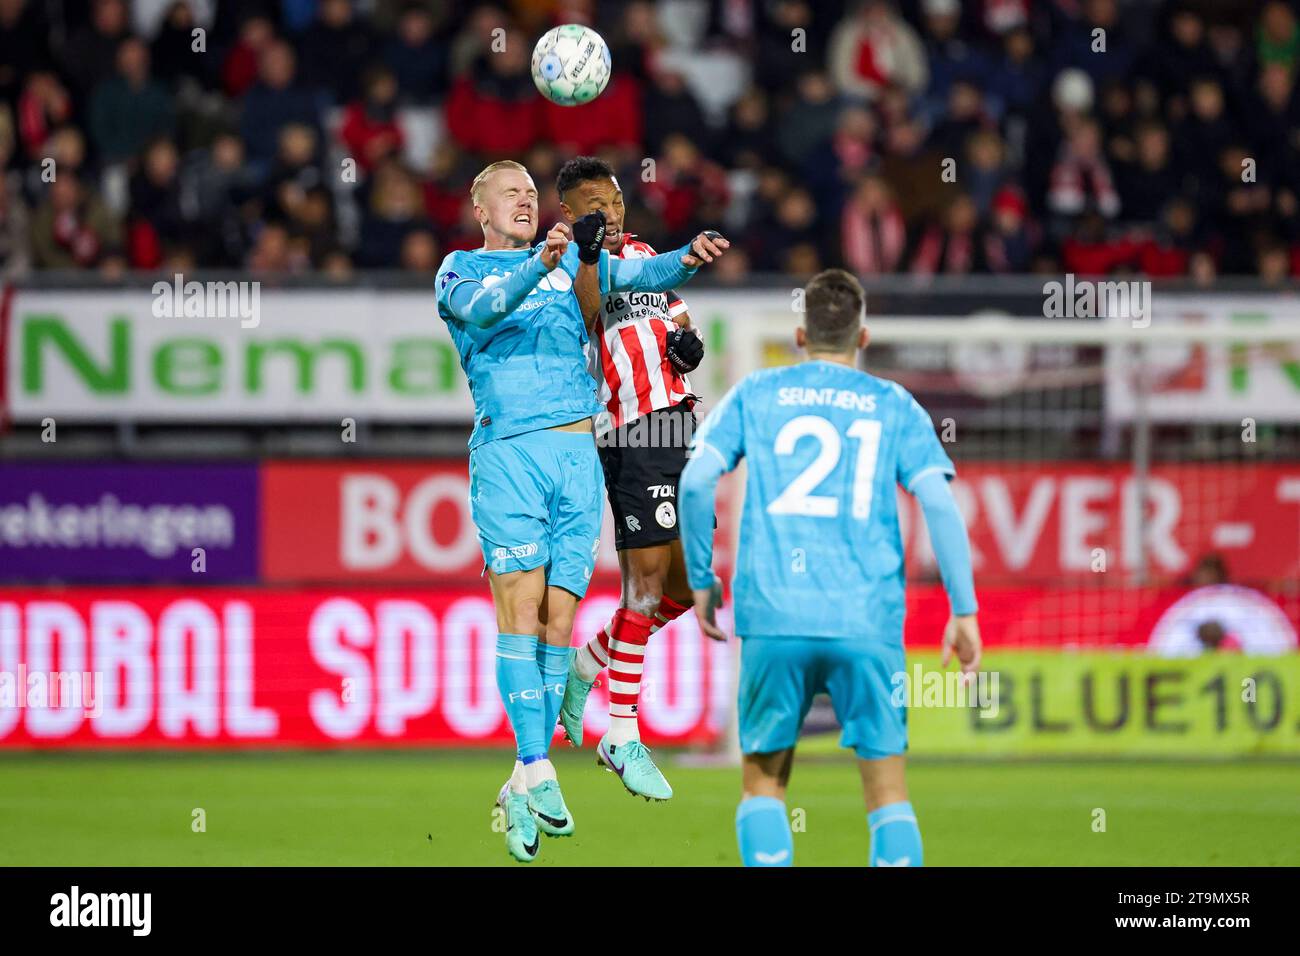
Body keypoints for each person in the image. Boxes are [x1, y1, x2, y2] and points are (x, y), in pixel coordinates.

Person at [434, 160, 728, 863]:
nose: (525, 201)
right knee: (523, 612)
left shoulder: (571, 265)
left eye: (530, 193)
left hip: (574, 455)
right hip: (510, 450)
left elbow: (642, 278)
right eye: (511, 193)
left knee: (560, 620)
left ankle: (519, 782)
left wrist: (687, 256)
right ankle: (538, 766)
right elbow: (486, 309)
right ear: (481, 208)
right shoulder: (460, 269)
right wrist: (547, 261)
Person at [678, 268, 980, 867]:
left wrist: (701, 577)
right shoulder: (893, 404)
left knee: (763, 786)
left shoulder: (755, 393)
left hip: (773, 617)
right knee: (889, 795)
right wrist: (964, 611)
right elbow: (940, 503)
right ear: (862, 338)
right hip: (864, 620)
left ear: (799, 335)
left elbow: (694, 482)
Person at [552, 156, 707, 801]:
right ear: (570, 212)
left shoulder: (645, 255)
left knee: (688, 587)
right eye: (595, 203)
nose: (611, 213)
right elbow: (590, 315)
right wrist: (586, 254)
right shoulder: (564, 260)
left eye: (615, 202)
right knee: (645, 586)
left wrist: (686, 344)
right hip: (631, 429)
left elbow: (675, 318)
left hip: (678, 425)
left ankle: (584, 666)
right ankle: (622, 733)